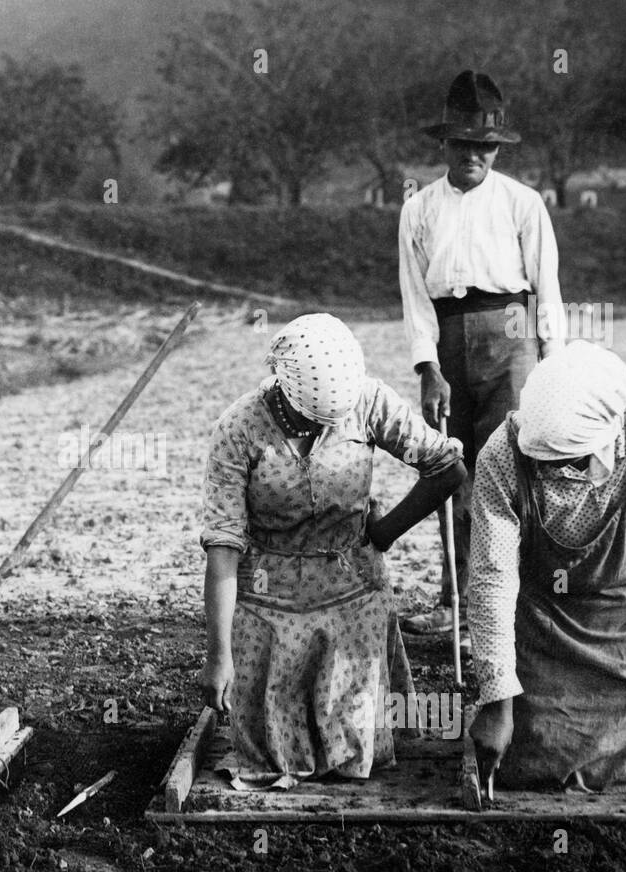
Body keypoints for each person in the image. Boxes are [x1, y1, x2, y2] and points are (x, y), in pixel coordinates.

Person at [198, 314, 467, 783]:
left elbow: (447, 467)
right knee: (273, 749)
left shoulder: (368, 400)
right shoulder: (238, 429)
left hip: (352, 583)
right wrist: (218, 655)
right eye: (311, 417)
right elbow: (223, 546)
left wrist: (384, 533)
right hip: (267, 592)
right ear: (284, 389)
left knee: (350, 744)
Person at [467, 342, 626, 791]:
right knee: (531, 743)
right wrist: (497, 699)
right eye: (547, 462)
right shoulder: (500, 456)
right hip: (549, 621)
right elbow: (491, 580)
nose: (557, 471)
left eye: (572, 460)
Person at [398, 69, 563, 645]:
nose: (475, 156)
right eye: (465, 144)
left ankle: (515, 609)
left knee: (511, 475)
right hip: (448, 342)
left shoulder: (523, 203)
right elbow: (415, 297)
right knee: (452, 473)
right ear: (444, 144)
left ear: (497, 148)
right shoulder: (418, 209)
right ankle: (457, 603)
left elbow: (547, 288)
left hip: (512, 337)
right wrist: (429, 368)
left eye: (486, 146)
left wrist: (551, 365)